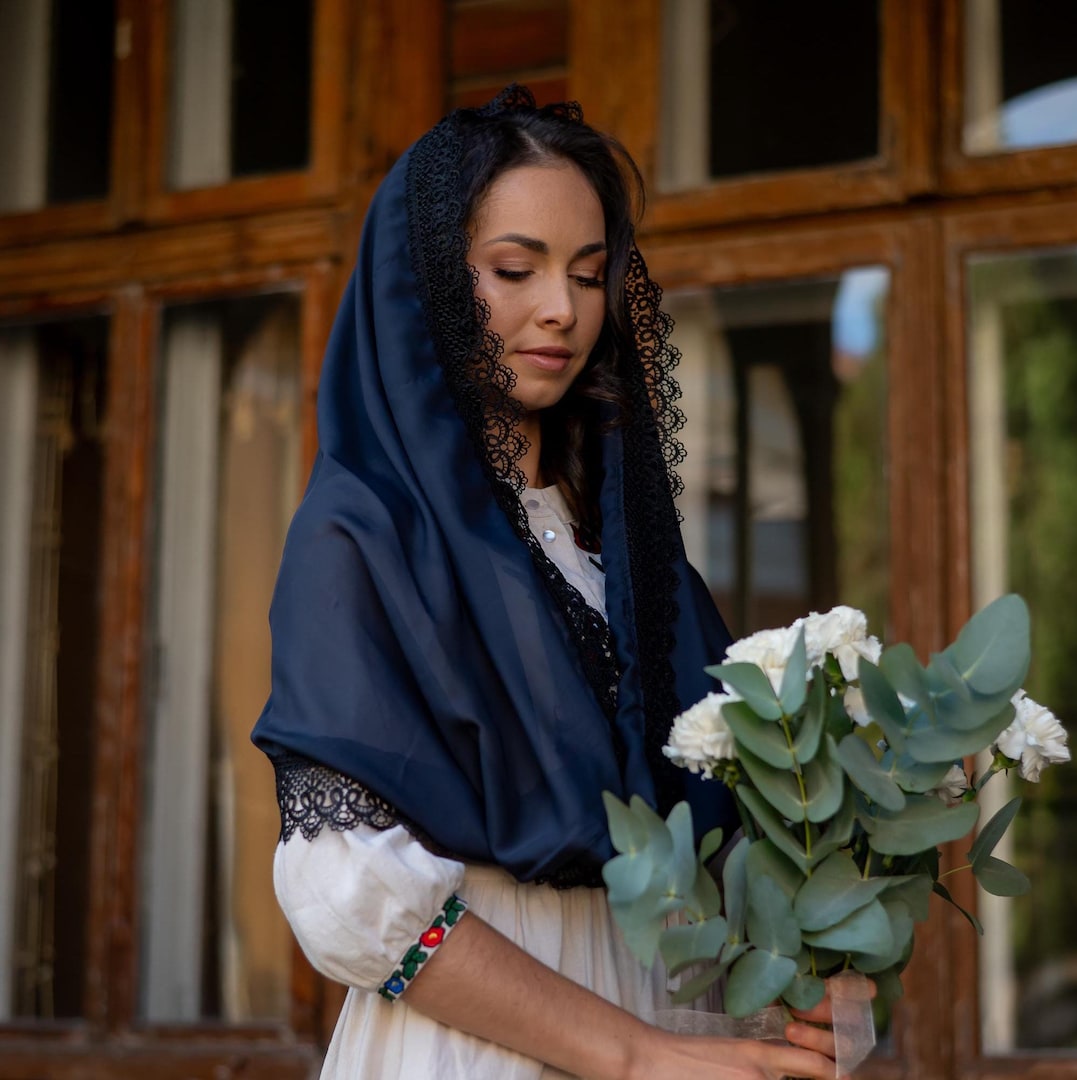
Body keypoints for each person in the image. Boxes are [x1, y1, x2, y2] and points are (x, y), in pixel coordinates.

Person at [253, 86, 848, 1079]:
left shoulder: (637, 569)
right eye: (515, 269)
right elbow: (342, 888)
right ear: (429, 284)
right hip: (483, 1052)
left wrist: (831, 954)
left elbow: (722, 853)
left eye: (586, 273)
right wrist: (628, 1053)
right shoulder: (360, 536)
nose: (562, 310)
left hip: (677, 1041)